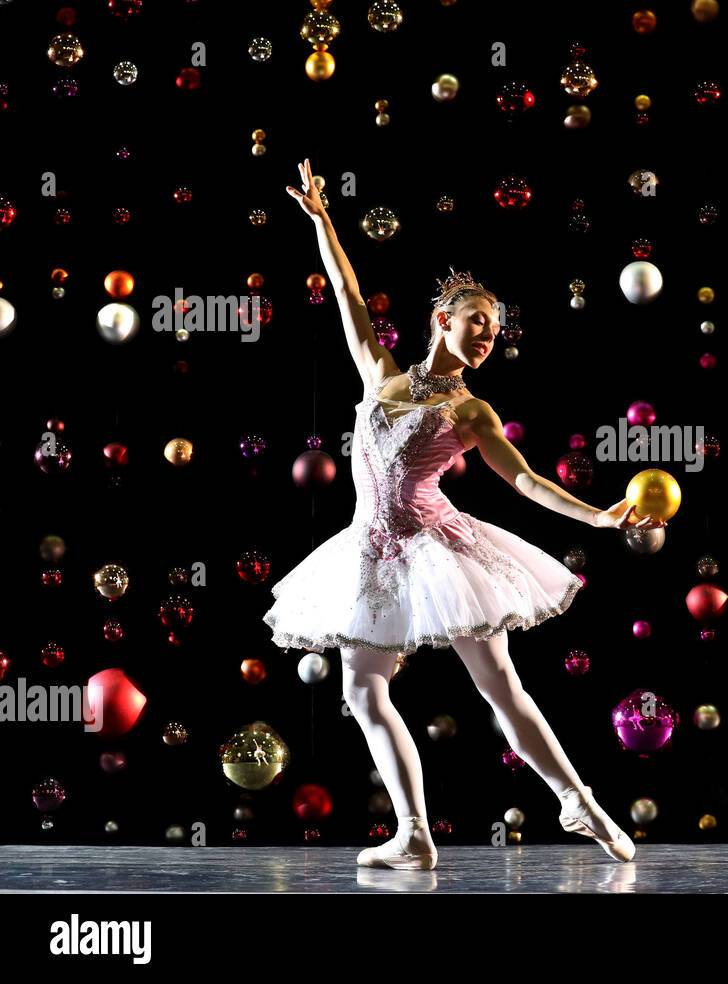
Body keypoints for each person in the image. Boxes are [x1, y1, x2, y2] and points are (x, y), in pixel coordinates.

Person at [265, 158, 666, 869]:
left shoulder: (470, 408)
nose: (488, 337)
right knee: (362, 688)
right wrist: (323, 220)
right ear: (440, 321)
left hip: (437, 548)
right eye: (477, 323)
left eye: (495, 330)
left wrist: (601, 520)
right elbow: (347, 292)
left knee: (499, 685)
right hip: (369, 551)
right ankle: (414, 833)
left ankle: (580, 802)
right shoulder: (379, 374)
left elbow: (527, 481)